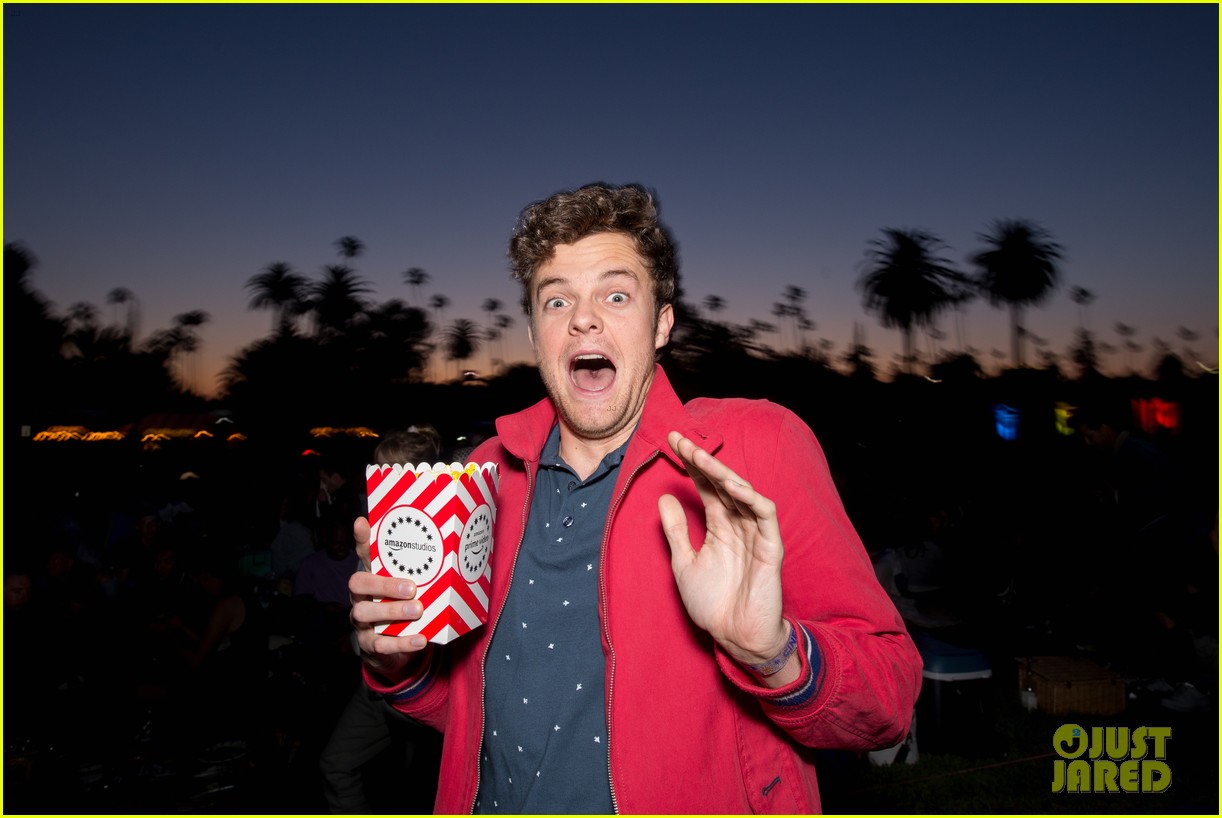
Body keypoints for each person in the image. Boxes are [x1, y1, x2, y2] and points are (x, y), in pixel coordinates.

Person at [348, 183, 922, 813]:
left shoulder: (758, 448)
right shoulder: (483, 476)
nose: (583, 318)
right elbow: (475, 719)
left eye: (616, 295)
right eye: (557, 300)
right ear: (536, 335)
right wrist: (397, 662)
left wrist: (774, 653)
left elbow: (888, 700)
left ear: (661, 324)